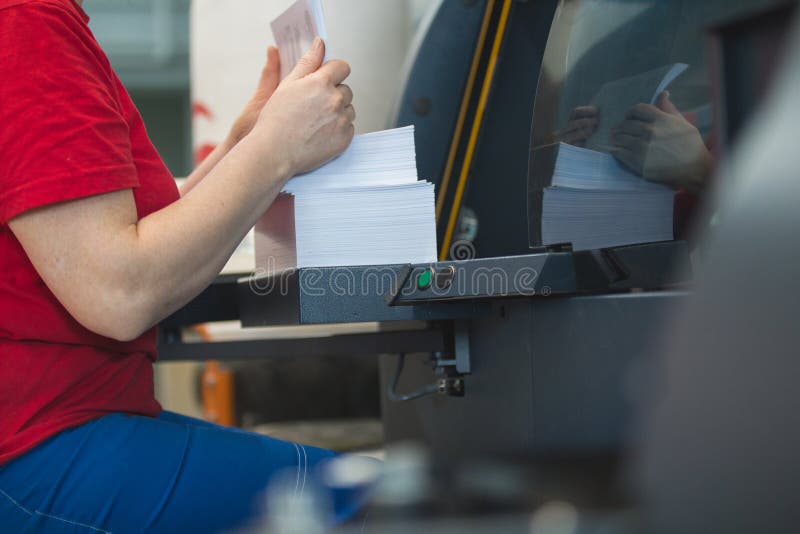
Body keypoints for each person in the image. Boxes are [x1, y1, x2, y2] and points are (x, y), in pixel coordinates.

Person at [0, 0, 365, 531]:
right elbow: (118, 292)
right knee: (382, 504)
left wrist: (244, 147)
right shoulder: (25, 21)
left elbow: (100, 230)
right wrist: (276, 151)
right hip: (37, 450)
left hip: (54, 432)